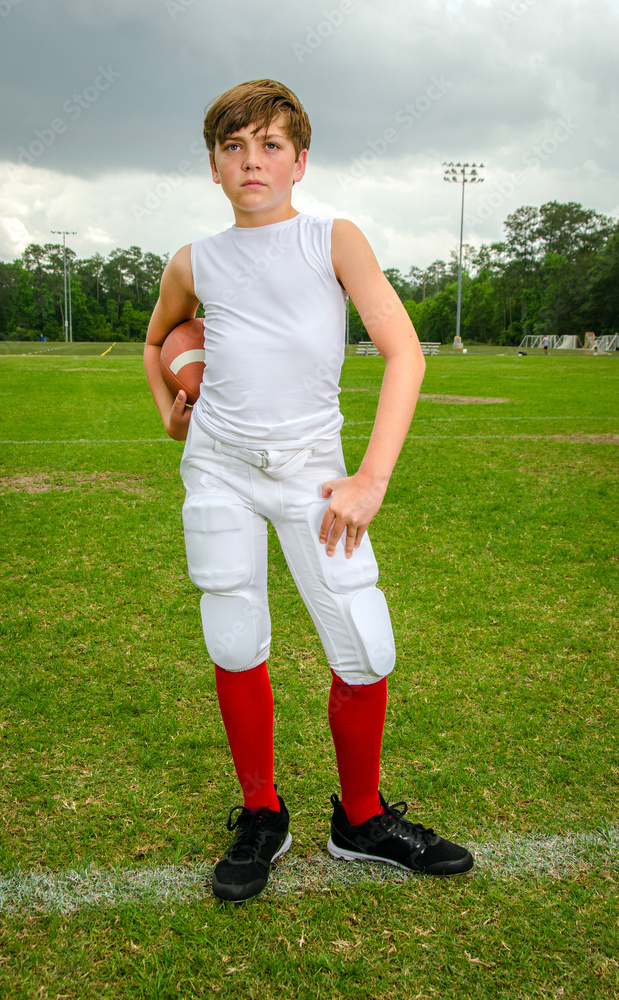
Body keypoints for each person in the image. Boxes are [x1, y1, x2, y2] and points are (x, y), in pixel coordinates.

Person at [144, 79, 473, 902]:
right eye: (233, 147)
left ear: (298, 160)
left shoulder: (334, 239)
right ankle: (263, 812)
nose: (251, 161)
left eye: (269, 146)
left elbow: (405, 354)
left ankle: (359, 819)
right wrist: (171, 411)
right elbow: (159, 340)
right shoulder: (193, 259)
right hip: (217, 465)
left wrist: (370, 478)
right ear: (214, 165)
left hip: (310, 473)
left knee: (364, 647)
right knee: (232, 636)